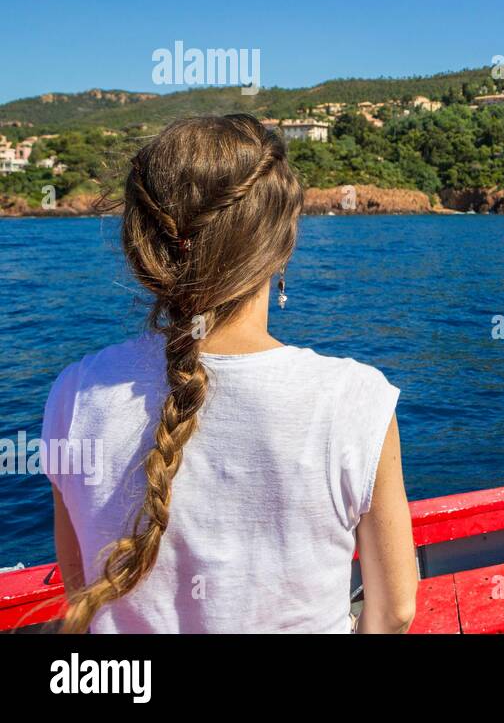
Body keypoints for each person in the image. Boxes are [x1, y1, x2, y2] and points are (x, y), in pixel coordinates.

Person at [41, 113, 418, 632]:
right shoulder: (353, 400)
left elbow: (79, 585)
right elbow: (394, 611)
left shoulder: (75, 395)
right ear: (280, 251)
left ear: (145, 247)